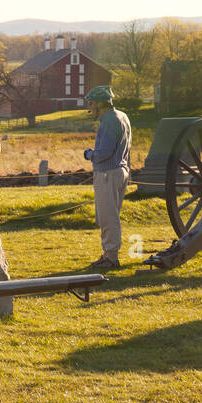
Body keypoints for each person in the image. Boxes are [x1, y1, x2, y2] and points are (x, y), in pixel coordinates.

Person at [82, 85, 132, 271]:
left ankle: (111, 257)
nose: (90, 107)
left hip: (107, 173)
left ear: (100, 103)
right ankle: (108, 254)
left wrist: (89, 154)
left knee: (107, 217)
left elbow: (104, 152)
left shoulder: (109, 121)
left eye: (92, 103)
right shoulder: (122, 116)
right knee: (112, 215)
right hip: (121, 170)